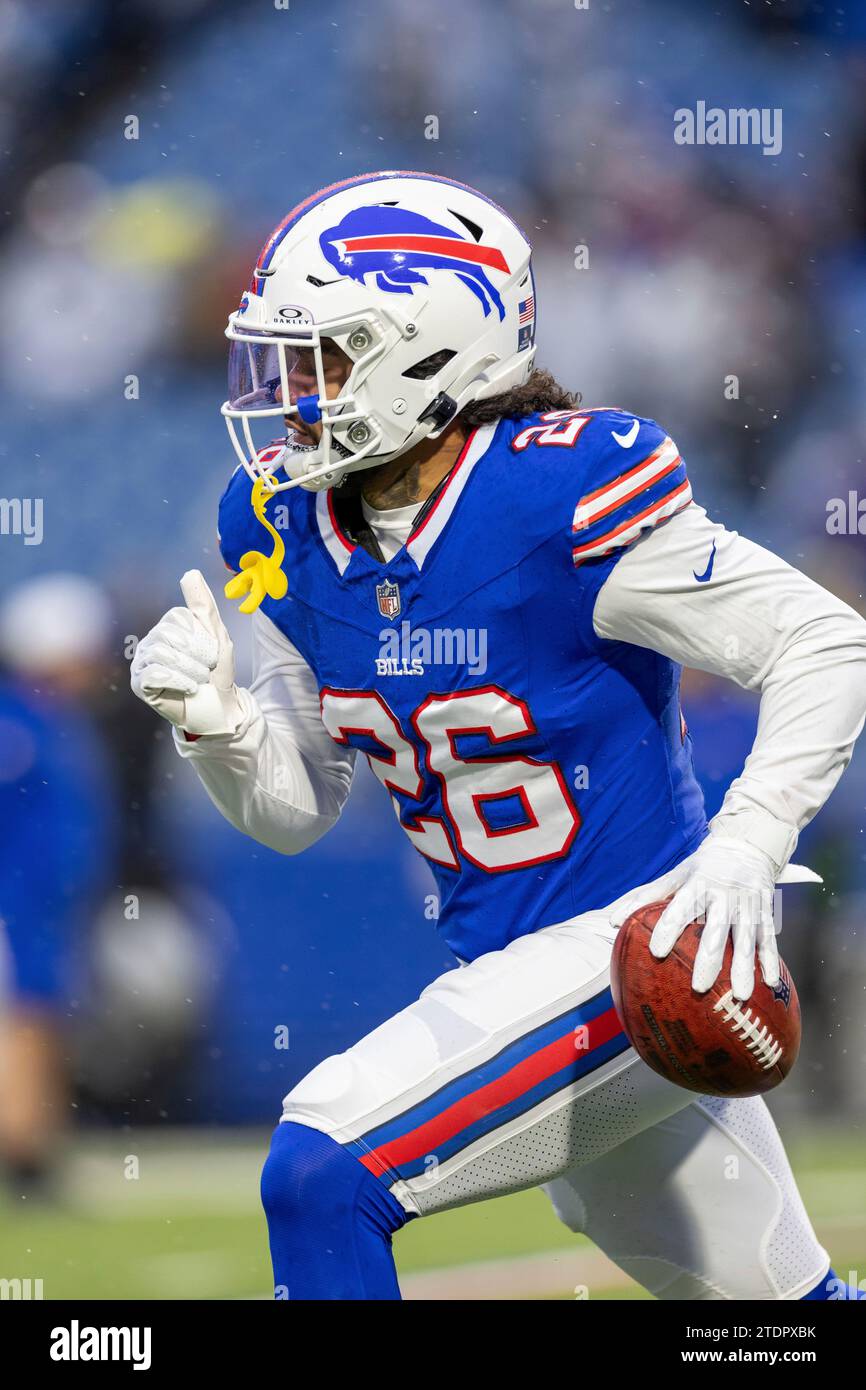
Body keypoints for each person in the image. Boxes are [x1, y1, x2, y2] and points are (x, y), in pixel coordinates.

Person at [131, 172, 866, 1300]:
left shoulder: (555, 493)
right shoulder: (279, 520)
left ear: (429, 348)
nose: (291, 394)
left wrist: (744, 847)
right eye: (284, 358)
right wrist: (220, 730)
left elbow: (824, 642)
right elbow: (299, 808)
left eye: (325, 356)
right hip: (519, 974)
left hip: (650, 950)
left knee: (321, 1164)